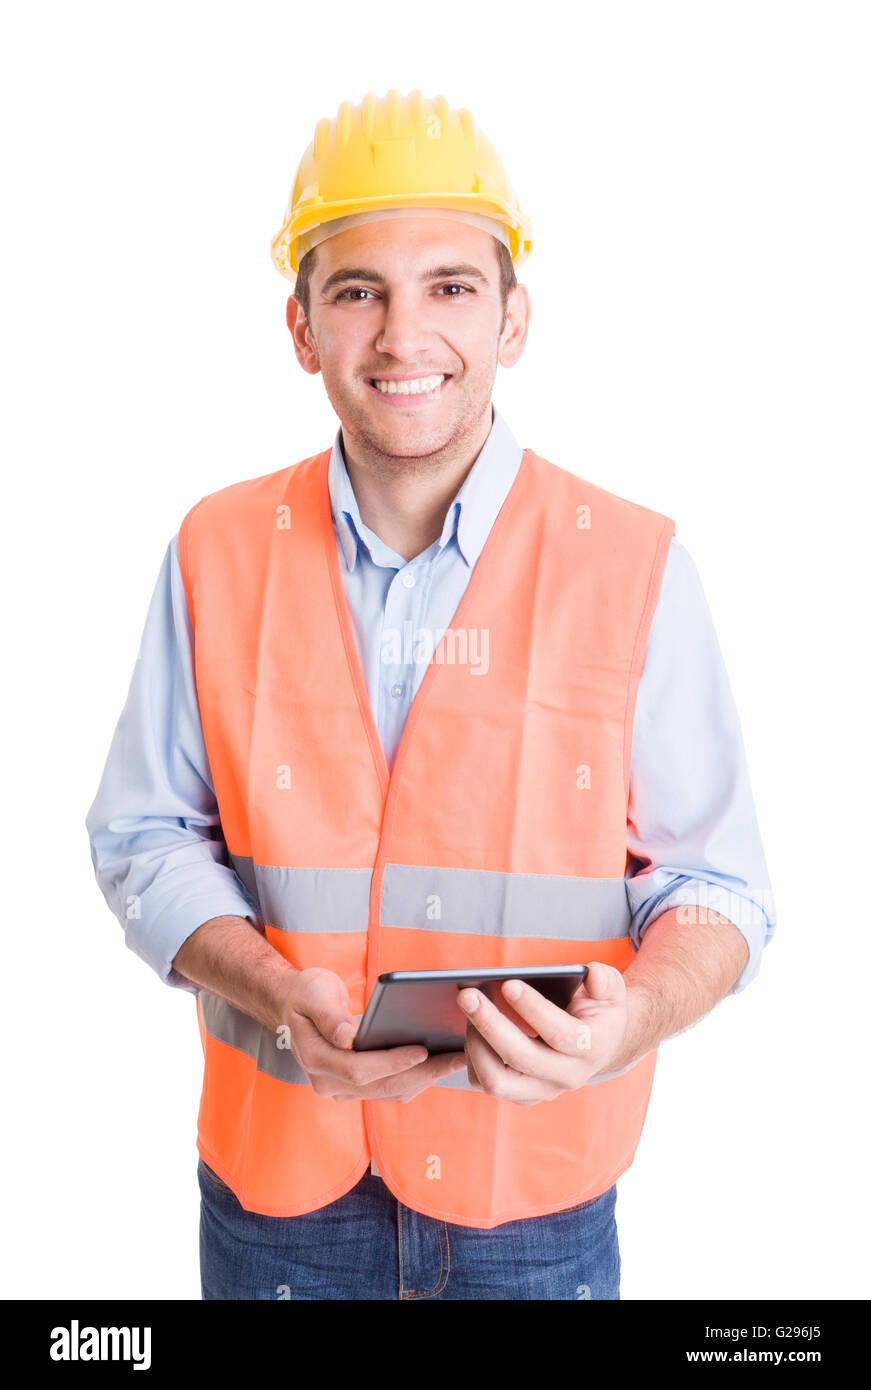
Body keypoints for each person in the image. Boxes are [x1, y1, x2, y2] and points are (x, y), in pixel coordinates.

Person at [86, 88, 776, 1301]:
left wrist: (624, 1026)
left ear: (515, 319)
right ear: (301, 327)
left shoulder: (632, 563)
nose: (403, 336)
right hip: (280, 1203)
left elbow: (718, 889)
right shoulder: (217, 547)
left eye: (451, 285)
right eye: (358, 290)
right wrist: (273, 992)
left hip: (535, 1209)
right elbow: (142, 835)